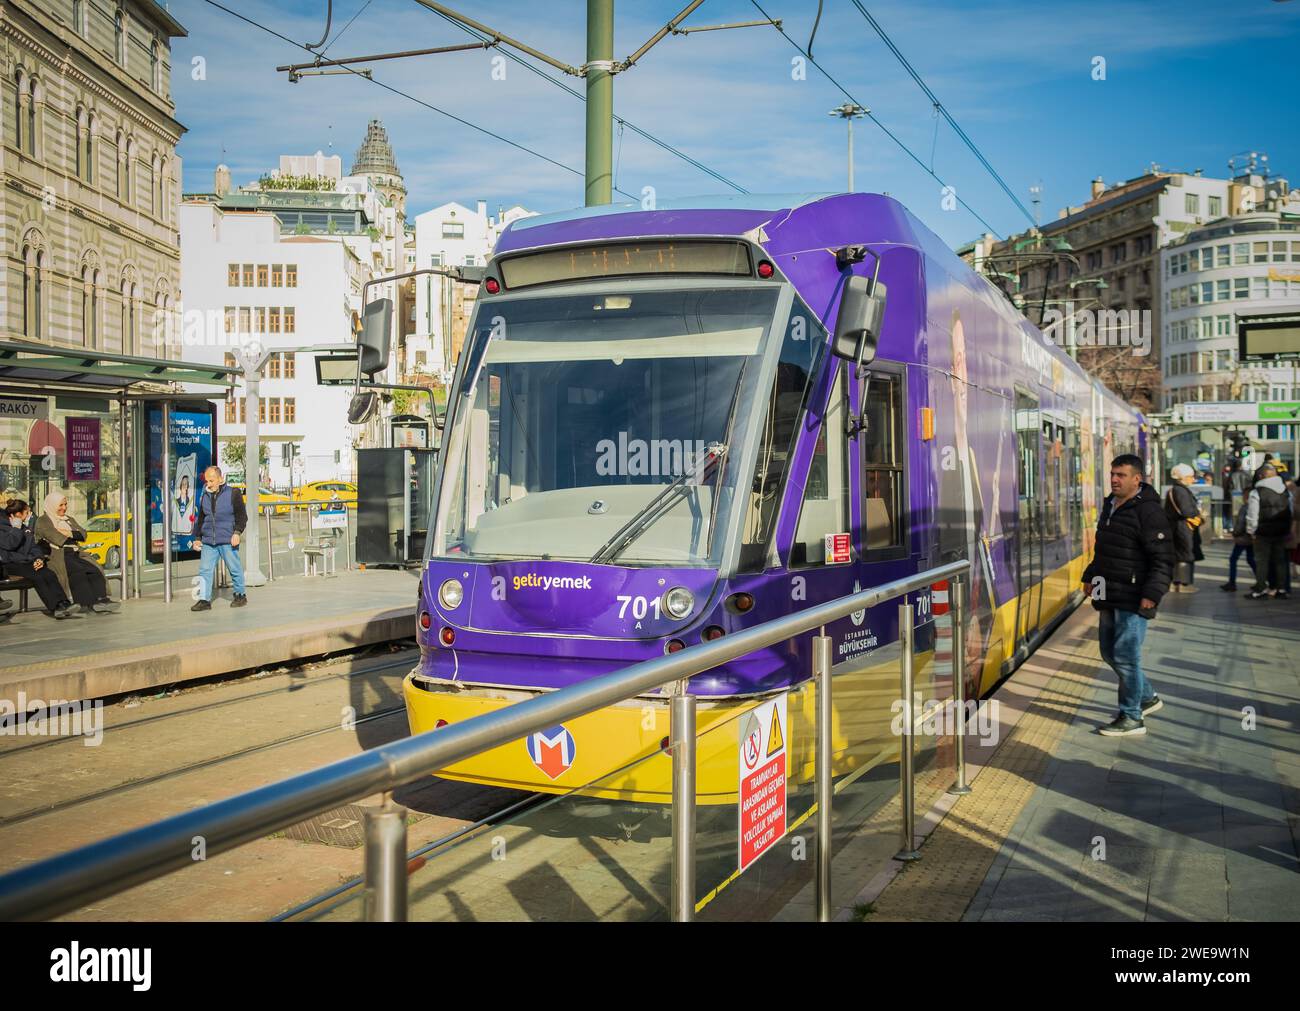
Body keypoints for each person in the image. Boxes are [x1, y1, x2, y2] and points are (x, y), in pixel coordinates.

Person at [1080, 454, 1174, 737]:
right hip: (1109, 590)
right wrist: (1090, 577)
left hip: (1134, 595)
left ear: (1137, 478)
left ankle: (1132, 717)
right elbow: (1104, 548)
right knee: (1109, 653)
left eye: (1121, 475)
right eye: (1112, 474)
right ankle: (1147, 698)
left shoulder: (1149, 511)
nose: (1114, 479)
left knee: (1126, 656)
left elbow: (1163, 558)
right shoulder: (1111, 504)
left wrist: (1152, 594)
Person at [34, 492, 118, 614]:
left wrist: (69, 533)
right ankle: (87, 602)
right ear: (52, 505)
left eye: (65, 504)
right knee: (78, 571)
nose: (64, 508)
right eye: (60, 505)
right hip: (58, 555)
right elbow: (57, 538)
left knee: (94, 568)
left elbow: (83, 534)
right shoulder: (43, 521)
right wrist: (73, 535)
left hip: (75, 552)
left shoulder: (69, 519)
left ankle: (102, 599)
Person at [0, 500, 78, 619]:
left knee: (49, 573)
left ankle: (64, 603)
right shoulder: (3, 528)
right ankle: (56, 607)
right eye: (26, 513)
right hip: (11, 563)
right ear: (17, 514)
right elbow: (10, 544)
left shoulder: (25, 528)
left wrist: (38, 558)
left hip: (28, 562)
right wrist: (16, 528)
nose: (29, 515)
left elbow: (34, 546)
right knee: (38, 576)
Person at [192, 465, 248, 611]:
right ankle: (204, 600)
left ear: (220, 479)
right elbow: (201, 518)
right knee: (205, 570)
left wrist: (237, 533)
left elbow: (242, 516)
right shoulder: (205, 495)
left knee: (234, 568)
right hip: (209, 540)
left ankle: (240, 595)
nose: (208, 484)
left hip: (228, 538)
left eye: (211, 481)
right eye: (207, 481)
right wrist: (198, 537)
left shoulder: (233, 493)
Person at [1245, 463, 1293, 600]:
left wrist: (1251, 531)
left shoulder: (1257, 492)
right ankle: (1282, 588)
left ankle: (1261, 588)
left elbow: (1252, 514)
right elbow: (1290, 510)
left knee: (1262, 561)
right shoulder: (1285, 490)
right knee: (1280, 561)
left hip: (1263, 532)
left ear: (1261, 475)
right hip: (1281, 531)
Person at [1164, 463, 1201, 593]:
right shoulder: (1181, 491)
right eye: (1190, 476)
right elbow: (1186, 511)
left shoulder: (1175, 490)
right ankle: (1184, 584)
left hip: (1176, 527)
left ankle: (1175, 583)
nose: (1193, 479)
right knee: (1185, 554)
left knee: (1178, 555)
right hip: (1183, 527)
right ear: (1182, 478)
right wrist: (1198, 514)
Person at [1221, 481, 1256, 592]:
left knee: (1233, 559)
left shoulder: (1245, 507)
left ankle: (1232, 583)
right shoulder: (1255, 506)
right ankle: (1261, 581)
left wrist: (1235, 533)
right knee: (1251, 559)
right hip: (1251, 537)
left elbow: (1240, 523)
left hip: (1243, 538)